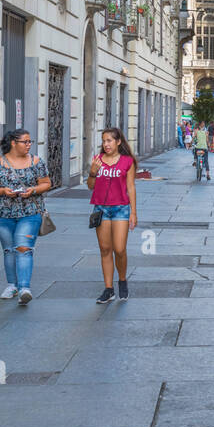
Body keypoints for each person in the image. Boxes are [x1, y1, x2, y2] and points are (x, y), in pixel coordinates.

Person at [0, 129, 52, 305]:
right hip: (3, 214)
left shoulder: (36, 162)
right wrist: (2, 191)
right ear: (13, 143)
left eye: (30, 142)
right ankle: (12, 285)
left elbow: (46, 183)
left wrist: (33, 190)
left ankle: (24, 288)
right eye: (25, 142)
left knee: (23, 248)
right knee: (9, 250)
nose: (28, 145)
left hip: (30, 213)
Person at [86, 127, 138, 304]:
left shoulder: (127, 162)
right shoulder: (97, 161)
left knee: (120, 249)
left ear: (118, 142)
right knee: (105, 249)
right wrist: (93, 171)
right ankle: (108, 289)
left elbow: (131, 187)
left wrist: (133, 212)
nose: (106, 144)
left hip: (121, 208)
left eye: (109, 140)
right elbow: (90, 186)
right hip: (101, 208)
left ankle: (122, 280)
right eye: (103, 141)